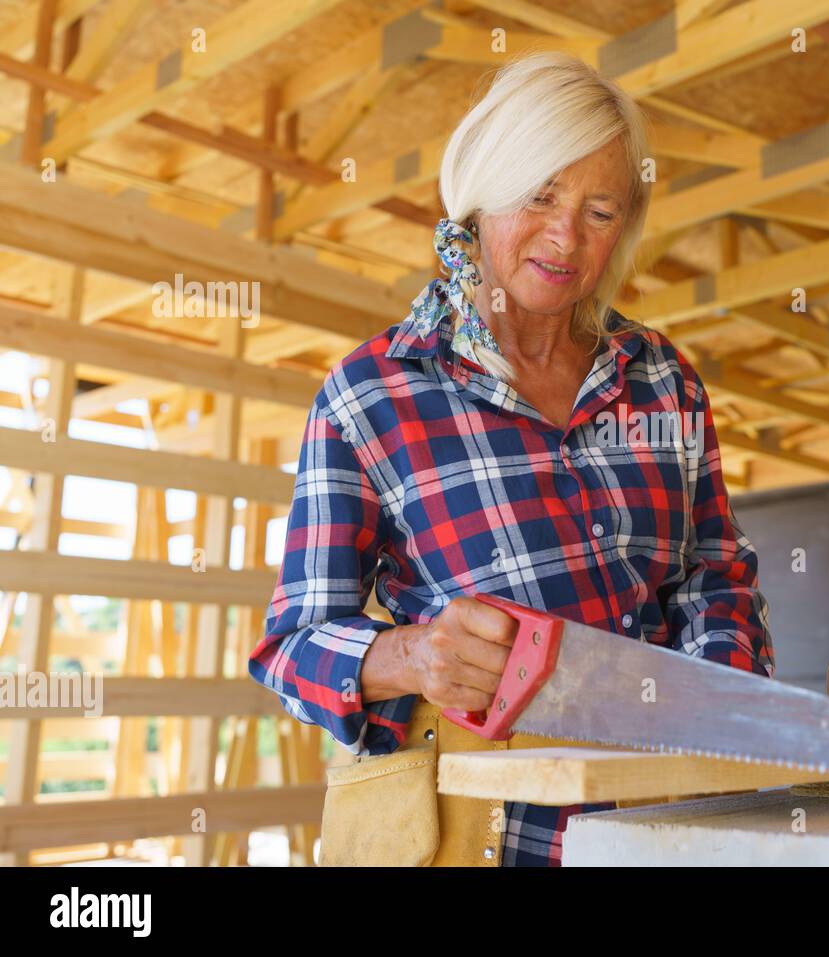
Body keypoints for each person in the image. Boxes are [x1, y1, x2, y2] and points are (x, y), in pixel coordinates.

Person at [250, 50, 774, 866]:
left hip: (666, 828)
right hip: (485, 838)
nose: (566, 237)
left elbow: (714, 575)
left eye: (601, 212)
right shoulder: (370, 395)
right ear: (482, 193)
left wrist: (714, 694)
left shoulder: (663, 378)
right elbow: (293, 647)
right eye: (541, 196)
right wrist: (415, 656)